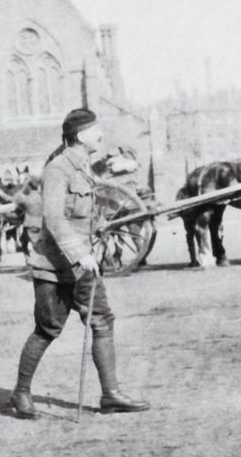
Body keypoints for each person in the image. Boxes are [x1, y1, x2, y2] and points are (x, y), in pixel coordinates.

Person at [10, 108, 150, 419]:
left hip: (84, 267)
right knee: (47, 329)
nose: (101, 134)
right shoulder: (58, 170)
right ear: (81, 135)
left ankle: (111, 394)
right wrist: (80, 253)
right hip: (55, 268)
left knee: (102, 320)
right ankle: (20, 392)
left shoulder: (83, 167)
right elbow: (54, 218)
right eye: (96, 130)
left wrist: (89, 254)